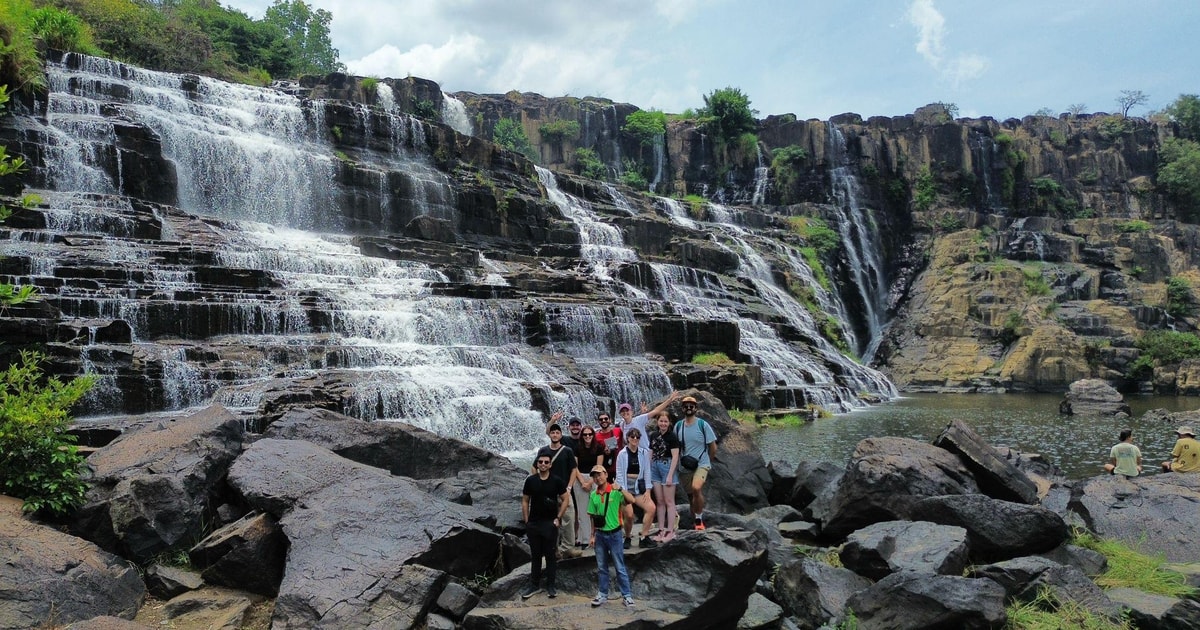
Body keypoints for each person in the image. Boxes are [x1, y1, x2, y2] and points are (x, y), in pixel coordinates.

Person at [520, 454, 570, 599]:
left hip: (550, 523)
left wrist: (558, 517)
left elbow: (565, 498)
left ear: (550, 465)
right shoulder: (530, 481)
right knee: (535, 555)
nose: (543, 464)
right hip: (534, 523)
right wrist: (526, 520)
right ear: (537, 464)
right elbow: (525, 500)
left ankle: (551, 586)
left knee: (550, 555)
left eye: (546, 462)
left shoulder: (556, 481)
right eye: (540, 462)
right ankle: (534, 585)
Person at [586, 464, 636, 609]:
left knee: (619, 566)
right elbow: (592, 517)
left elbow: (631, 500)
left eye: (600, 474)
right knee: (602, 567)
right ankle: (602, 594)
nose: (597, 477)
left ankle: (627, 596)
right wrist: (592, 535)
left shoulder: (615, 491)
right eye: (594, 476)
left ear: (606, 474)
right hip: (600, 535)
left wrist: (620, 488)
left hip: (614, 534)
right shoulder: (594, 495)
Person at [535, 424, 580, 556]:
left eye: (557, 433)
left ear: (561, 435)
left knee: (568, 519)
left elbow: (573, 469)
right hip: (548, 492)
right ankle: (552, 549)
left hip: (564, 491)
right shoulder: (543, 451)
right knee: (550, 520)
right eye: (552, 432)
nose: (555, 435)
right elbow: (534, 467)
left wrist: (570, 486)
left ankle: (568, 548)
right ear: (549, 435)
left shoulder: (567, 451)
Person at [675, 395, 718, 531]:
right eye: (686, 406)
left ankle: (699, 518)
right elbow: (675, 447)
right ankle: (696, 522)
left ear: (696, 408)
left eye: (691, 406)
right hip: (685, 465)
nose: (689, 408)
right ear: (682, 408)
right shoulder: (678, 426)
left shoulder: (702, 425)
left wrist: (708, 461)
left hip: (701, 463)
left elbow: (713, 446)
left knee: (696, 488)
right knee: (690, 496)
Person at [615, 427, 657, 549]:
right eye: (632, 437)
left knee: (651, 508)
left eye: (637, 437)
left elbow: (647, 472)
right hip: (625, 489)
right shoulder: (622, 454)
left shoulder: (643, 453)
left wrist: (648, 491)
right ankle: (627, 537)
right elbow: (619, 475)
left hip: (638, 488)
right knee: (629, 514)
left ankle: (644, 536)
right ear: (627, 438)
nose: (634, 439)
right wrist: (623, 492)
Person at [647, 411, 681, 542]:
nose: (663, 423)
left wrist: (670, 475)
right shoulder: (653, 435)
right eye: (661, 421)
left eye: (665, 421)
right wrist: (648, 470)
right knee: (660, 501)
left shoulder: (672, 437)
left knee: (669, 501)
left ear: (669, 423)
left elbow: (675, 457)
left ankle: (670, 530)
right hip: (655, 466)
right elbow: (650, 453)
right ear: (657, 422)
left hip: (667, 466)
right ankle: (661, 530)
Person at [573, 425, 606, 548]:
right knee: (583, 511)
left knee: (597, 509)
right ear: (582, 436)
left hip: (596, 479)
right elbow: (574, 467)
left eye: (590, 434)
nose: (587, 437)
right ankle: (586, 539)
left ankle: (598, 536)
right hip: (580, 478)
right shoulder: (577, 448)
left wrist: (591, 482)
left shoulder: (599, 448)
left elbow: (599, 467)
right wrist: (582, 482)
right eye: (585, 434)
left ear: (593, 435)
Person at [594, 412, 623, 478]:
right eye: (601, 419)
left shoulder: (618, 430)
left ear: (610, 420)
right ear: (598, 422)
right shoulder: (596, 437)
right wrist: (604, 452)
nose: (603, 421)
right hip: (607, 469)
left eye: (606, 419)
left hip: (621, 467)